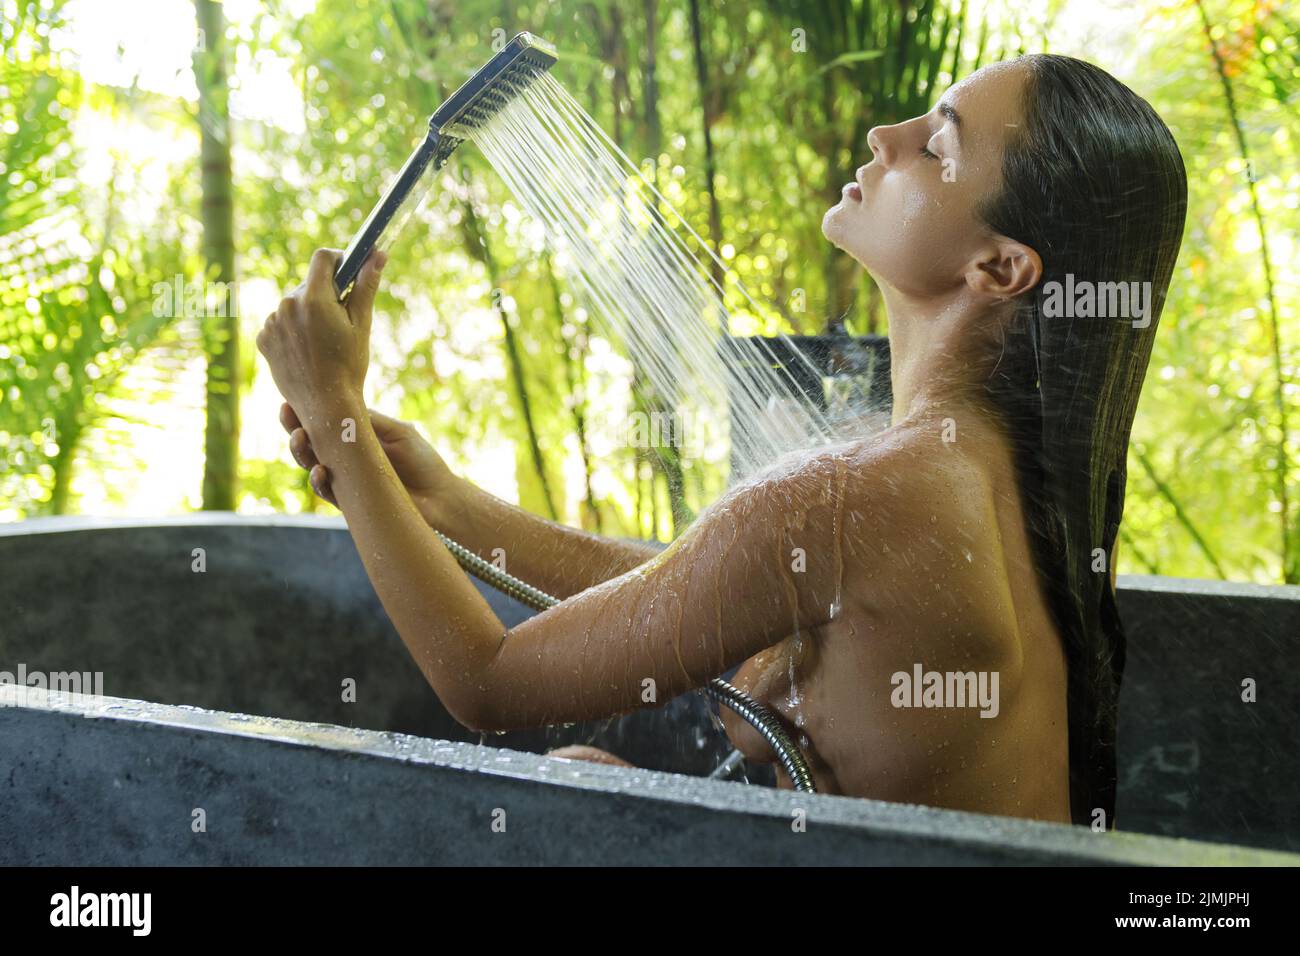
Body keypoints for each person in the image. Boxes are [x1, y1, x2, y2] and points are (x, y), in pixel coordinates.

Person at [258, 53, 1186, 827]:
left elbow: (487, 682)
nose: (885, 138)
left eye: (936, 144)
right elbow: (703, 595)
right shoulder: (986, 480)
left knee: (567, 786)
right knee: (590, 774)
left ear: (999, 267)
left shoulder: (859, 496)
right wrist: (450, 500)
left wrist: (335, 412)